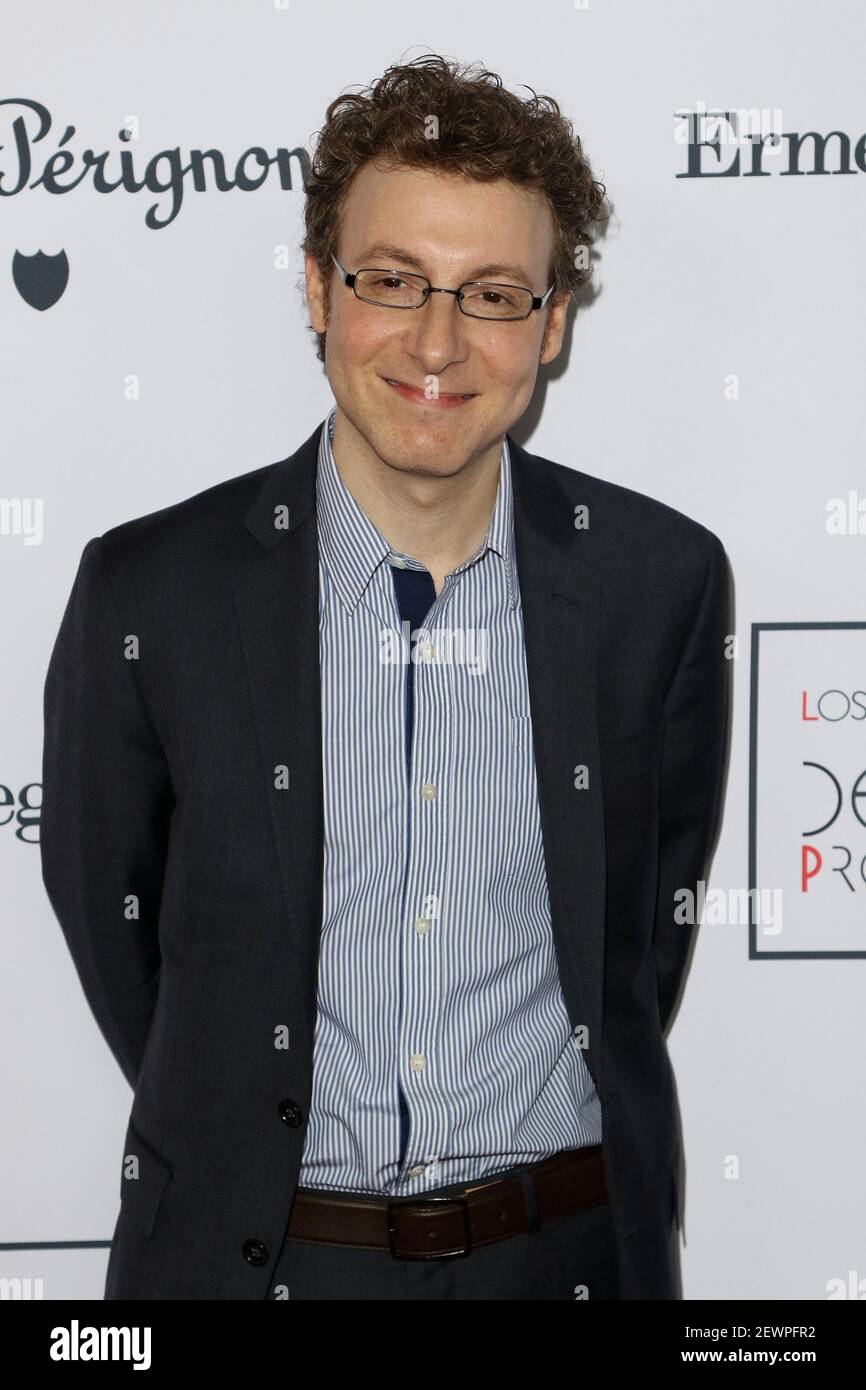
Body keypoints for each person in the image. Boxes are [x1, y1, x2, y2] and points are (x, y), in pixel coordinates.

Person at [40, 53, 732, 1300]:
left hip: (565, 1261)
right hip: (253, 1267)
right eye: (392, 279)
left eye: (492, 293)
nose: (436, 341)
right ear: (318, 288)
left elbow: (636, 947)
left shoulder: (659, 586)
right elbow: (120, 928)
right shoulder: (151, 592)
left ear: (552, 322)